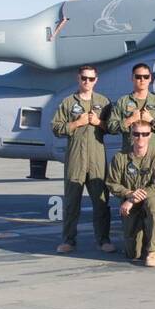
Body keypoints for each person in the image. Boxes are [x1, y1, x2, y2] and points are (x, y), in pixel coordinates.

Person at [49, 65, 114, 254]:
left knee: (101, 202)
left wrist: (98, 122)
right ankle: (69, 240)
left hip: (96, 159)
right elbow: (56, 127)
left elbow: (113, 127)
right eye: (84, 78)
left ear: (96, 80)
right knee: (71, 202)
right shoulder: (68, 102)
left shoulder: (103, 102)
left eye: (91, 79)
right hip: (76, 158)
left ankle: (103, 240)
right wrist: (77, 123)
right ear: (78, 79)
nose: (87, 82)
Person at [105, 121, 155, 266]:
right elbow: (111, 183)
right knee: (133, 253)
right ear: (131, 135)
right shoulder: (120, 157)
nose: (140, 137)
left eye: (145, 134)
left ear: (150, 135)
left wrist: (132, 199)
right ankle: (142, 238)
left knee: (154, 205)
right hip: (130, 203)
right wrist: (128, 193)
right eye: (136, 134)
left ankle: (153, 251)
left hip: (149, 199)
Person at [106, 62, 155, 154]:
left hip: (152, 156)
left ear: (150, 79)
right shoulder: (122, 102)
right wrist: (129, 120)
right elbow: (111, 127)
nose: (142, 79)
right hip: (129, 154)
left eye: (146, 77)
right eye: (138, 77)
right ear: (132, 78)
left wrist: (152, 121)